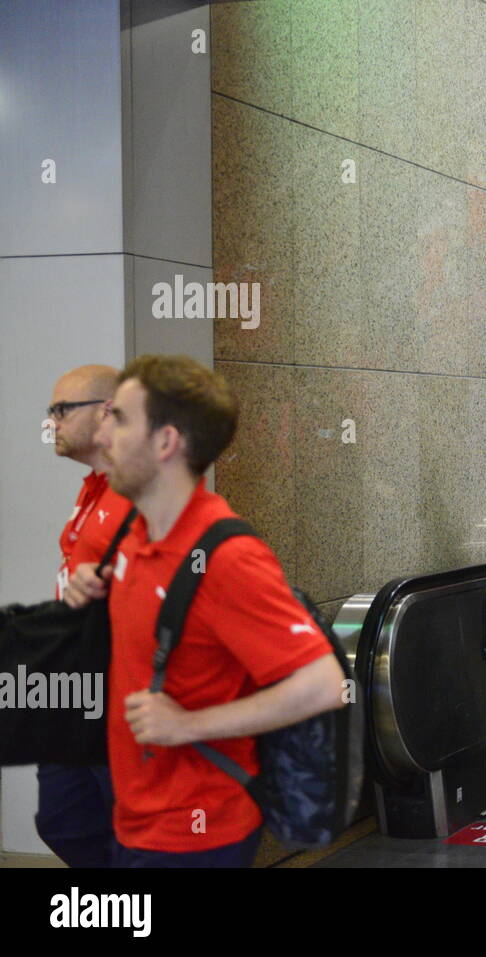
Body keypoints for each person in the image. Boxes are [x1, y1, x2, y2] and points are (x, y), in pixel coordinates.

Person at [85, 355, 346, 867]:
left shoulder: (226, 557)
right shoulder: (137, 537)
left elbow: (325, 684)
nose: (102, 437)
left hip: (196, 835)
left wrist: (187, 726)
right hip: (136, 820)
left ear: (165, 442)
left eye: (118, 419)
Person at [37, 364, 134, 868]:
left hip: (119, 696)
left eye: (60, 411)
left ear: (103, 413)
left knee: (128, 826)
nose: (50, 423)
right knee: (62, 818)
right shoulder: (95, 486)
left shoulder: (139, 493)